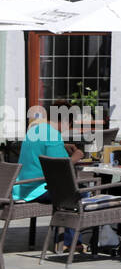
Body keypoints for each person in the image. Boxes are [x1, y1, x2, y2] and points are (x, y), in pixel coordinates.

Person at [14, 107, 85, 251]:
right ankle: (70, 242)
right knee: (79, 194)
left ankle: (67, 240)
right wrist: (76, 157)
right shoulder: (53, 135)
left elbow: (41, 149)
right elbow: (60, 169)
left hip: (22, 187)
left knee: (68, 191)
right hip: (38, 189)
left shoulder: (34, 130)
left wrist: (62, 145)